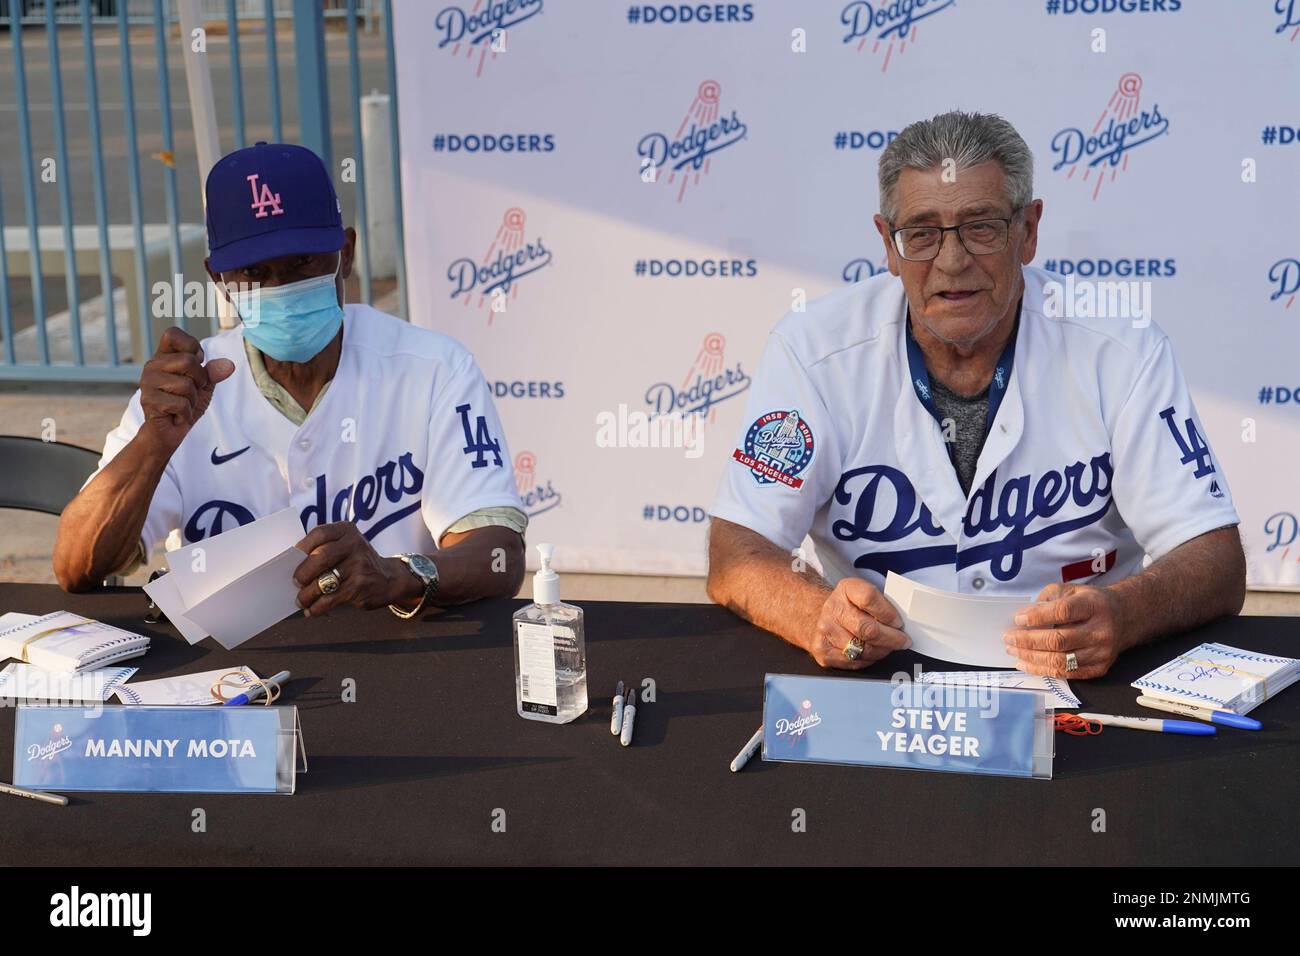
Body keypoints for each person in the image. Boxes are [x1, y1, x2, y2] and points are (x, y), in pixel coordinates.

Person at [707, 111, 1245, 679]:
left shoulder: (1120, 348)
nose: (953, 259)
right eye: (921, 232)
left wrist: (1125, 613)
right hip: (875, 673)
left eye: (981, 226)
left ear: (1029, 231)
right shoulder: (812, 351)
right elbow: (737, 551)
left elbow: (1214, 558)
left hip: (1074, 677)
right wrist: (817, 614)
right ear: (888, 246)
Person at [55, 142, 526, 618]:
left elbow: (498, 555)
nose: (280, 287)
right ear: (219, 279)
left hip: (404, 645)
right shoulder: (183, 390)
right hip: (234, 673)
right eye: (255, 271)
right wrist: (153, 443)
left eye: (302, 261)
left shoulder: (433, 367)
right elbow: (77, 566)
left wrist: (400, 573)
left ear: (346, 253)